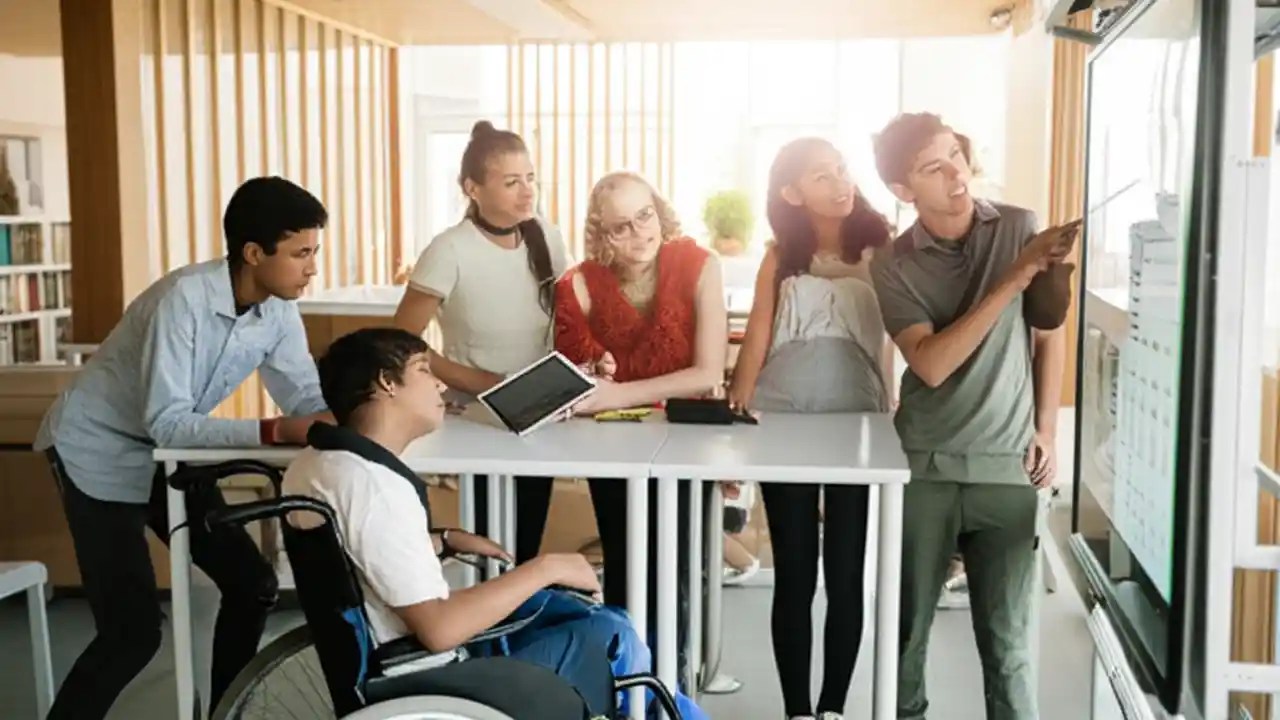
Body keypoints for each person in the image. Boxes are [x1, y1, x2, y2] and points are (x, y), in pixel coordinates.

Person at [285, 327, 707, 719]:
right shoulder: (377, 489)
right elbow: (440, 629)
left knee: (567, 610)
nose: (440, 385)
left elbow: (358, 553)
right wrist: (547, 567)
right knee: (610, 633)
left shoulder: (320, 464)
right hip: (426, 674)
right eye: (424, 371)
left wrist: (443, 540)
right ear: (386, 383)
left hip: (387, 653)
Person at [34, 176, 335, 718]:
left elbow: (304, 398)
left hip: (166, 451)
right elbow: (169, 423)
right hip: (95, 448)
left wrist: (348, 420)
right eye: (302, 253)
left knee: (252, 584)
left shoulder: (279, 309)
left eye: (314, 252)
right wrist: (274, 431)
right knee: (131, 633)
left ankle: (224, 712)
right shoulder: (184, 300)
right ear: (253, 253)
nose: (313, 267)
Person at [868, 112, 1075, 720]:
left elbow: (1048, 336)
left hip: (1007, 465)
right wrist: (1015, 274)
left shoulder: (1020, 227)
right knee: (905, 638)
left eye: (955, 154)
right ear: (904, 190)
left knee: (1010, 650)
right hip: (924, 467)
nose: (956, 174)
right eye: (933, 167)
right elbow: (931, 364)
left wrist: (1046, 430)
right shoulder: (894, 263)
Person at [726, 137, 894, 720]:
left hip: (857, 423)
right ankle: (797, 711)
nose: (840, 182)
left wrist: (893, 411)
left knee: (846, 574)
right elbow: (757, 339)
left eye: (841, 170)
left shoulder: (881, 248)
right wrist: (734, 420)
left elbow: (897, 340)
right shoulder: (779, 257)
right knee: (794, 574)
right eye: (822, 175)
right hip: (783, 420)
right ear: (792, 193)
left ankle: (833, 709)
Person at [553, 170, 727, 678]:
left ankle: (676, 681)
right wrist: (596, 373)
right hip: (614, 446)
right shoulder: (580, 283)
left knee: (682, 567)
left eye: (645, 215)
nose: (639, 233)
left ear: (660, 211)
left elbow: (708, 372)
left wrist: (615, 394)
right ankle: (632, 683)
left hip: (687, 439)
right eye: (621, 226)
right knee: (626, 563)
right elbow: (578, 379)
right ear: (601, 233)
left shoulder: (700, 265)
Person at [393, 120, 570, 566]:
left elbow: (568, 317)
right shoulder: (449, 249)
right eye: (511, 182)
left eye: (530, 178)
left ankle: (519, 608)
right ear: (473, 189)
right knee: (492, 542)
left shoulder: (547, 237)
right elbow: (400, 341)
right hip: (477, 413)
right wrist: (479, 381)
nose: (527, 192)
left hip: (540, 408)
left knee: (526, 538)